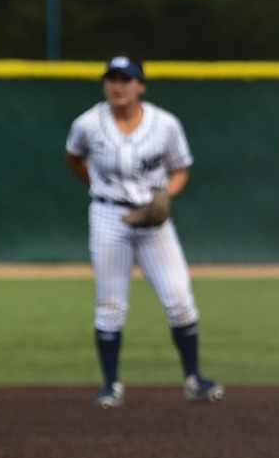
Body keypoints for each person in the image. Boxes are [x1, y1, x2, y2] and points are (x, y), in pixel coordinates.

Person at [64, 54, 224, 408]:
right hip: (108, 216)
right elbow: (73, 157)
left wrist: (166, 195)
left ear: (140, 85)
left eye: (126, 79)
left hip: (154, 220)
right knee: (110, 306)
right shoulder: (88, 124)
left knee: (180, 300)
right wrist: (95, 185)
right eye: (112, 78)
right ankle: (111, 386)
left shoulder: (165, 124)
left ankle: (194, 379)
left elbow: (180, 168)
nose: (118, 85)